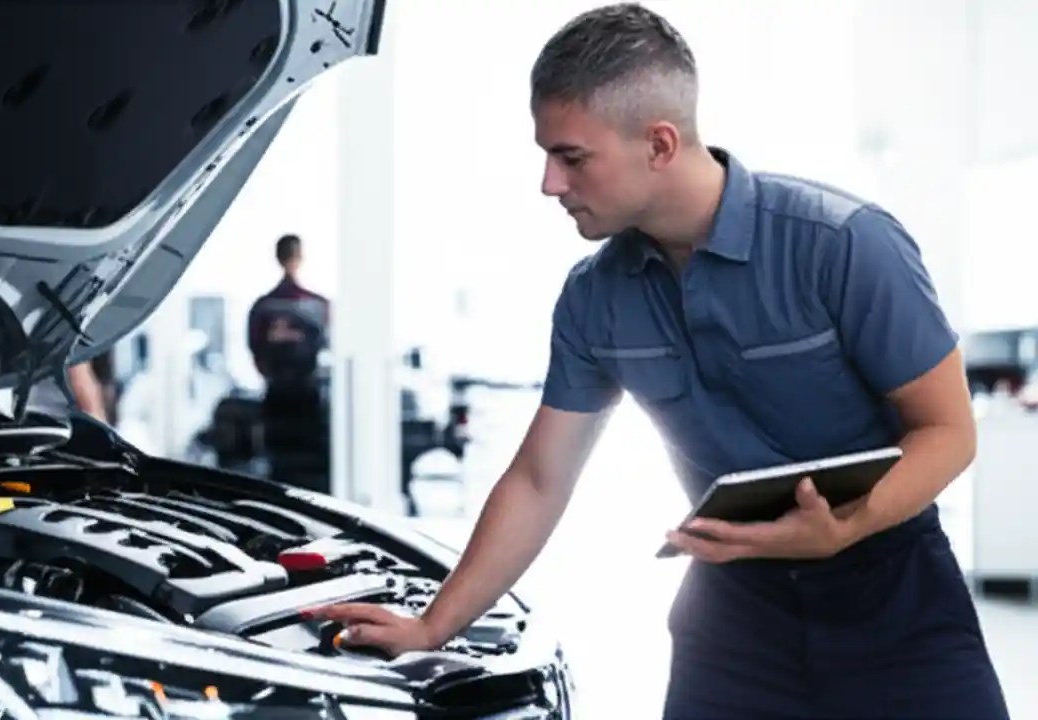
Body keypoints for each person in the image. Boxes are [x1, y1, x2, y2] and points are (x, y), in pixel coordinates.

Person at [308, 4, 1010, 719]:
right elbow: (540, 479)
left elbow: (948, 431)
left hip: (897, 600)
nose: (550, 184)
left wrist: (847, 526)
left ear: (661, 144)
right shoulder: (594, 297)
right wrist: (434, 624)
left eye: (571, 157)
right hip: (734, 619)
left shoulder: (844, 245)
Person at [247, 234, 332, 492]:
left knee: (278, 473)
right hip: (308, 399)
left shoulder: (262, 307)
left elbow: (255, 352)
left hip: (277, 397)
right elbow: (326, 347)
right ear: (300, 257)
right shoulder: (319, 306)